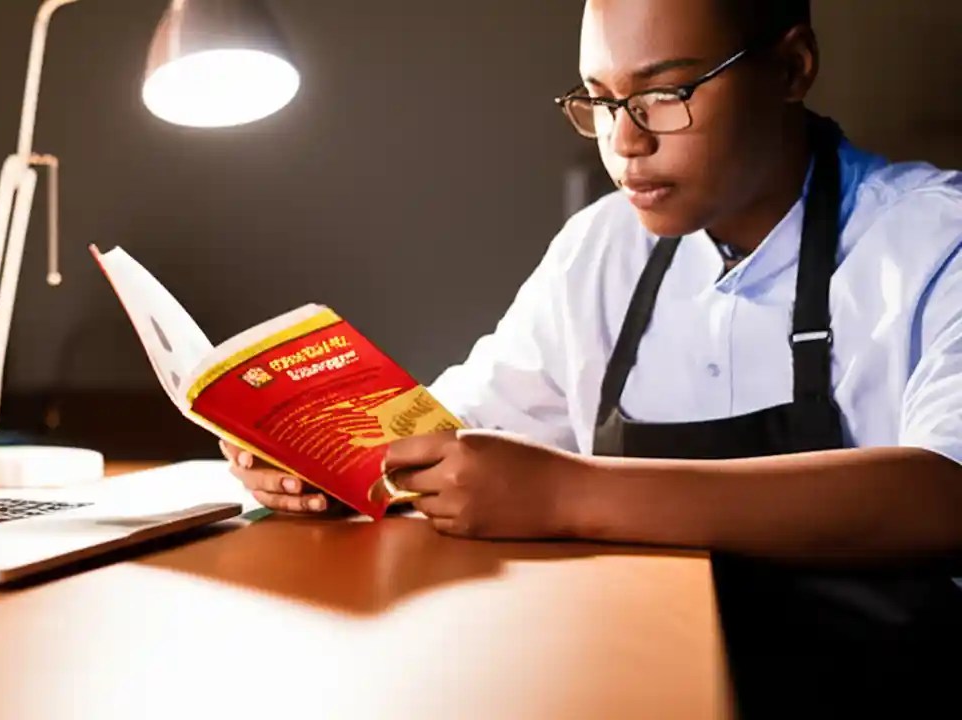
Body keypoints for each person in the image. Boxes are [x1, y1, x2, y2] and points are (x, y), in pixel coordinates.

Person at [223, 0, 961, 713]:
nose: (625, 141)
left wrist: (567, 494)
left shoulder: (933, 238)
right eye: (602, 99)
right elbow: (459, 430)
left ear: (793, 68)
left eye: (666, 94)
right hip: (633, 687)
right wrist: (315, 450)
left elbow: (945, 491)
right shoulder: (601, 247)